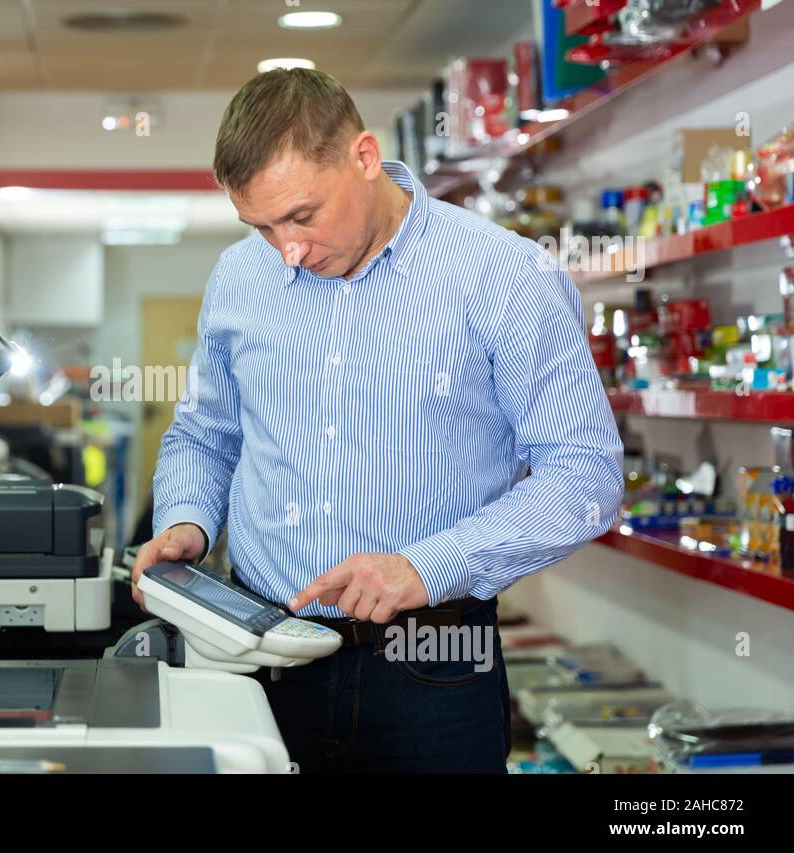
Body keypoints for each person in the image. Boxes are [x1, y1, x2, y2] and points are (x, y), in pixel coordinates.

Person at [130, 68, 623, 774]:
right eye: (261, 226)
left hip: (431, 667)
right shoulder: (240, 277)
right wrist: (186, 521)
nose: (286, 250)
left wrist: (426, 566)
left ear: (364, 157)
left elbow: (586, 475)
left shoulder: (506, 276)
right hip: (261, 655)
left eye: (302, 216)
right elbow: (206, 433)